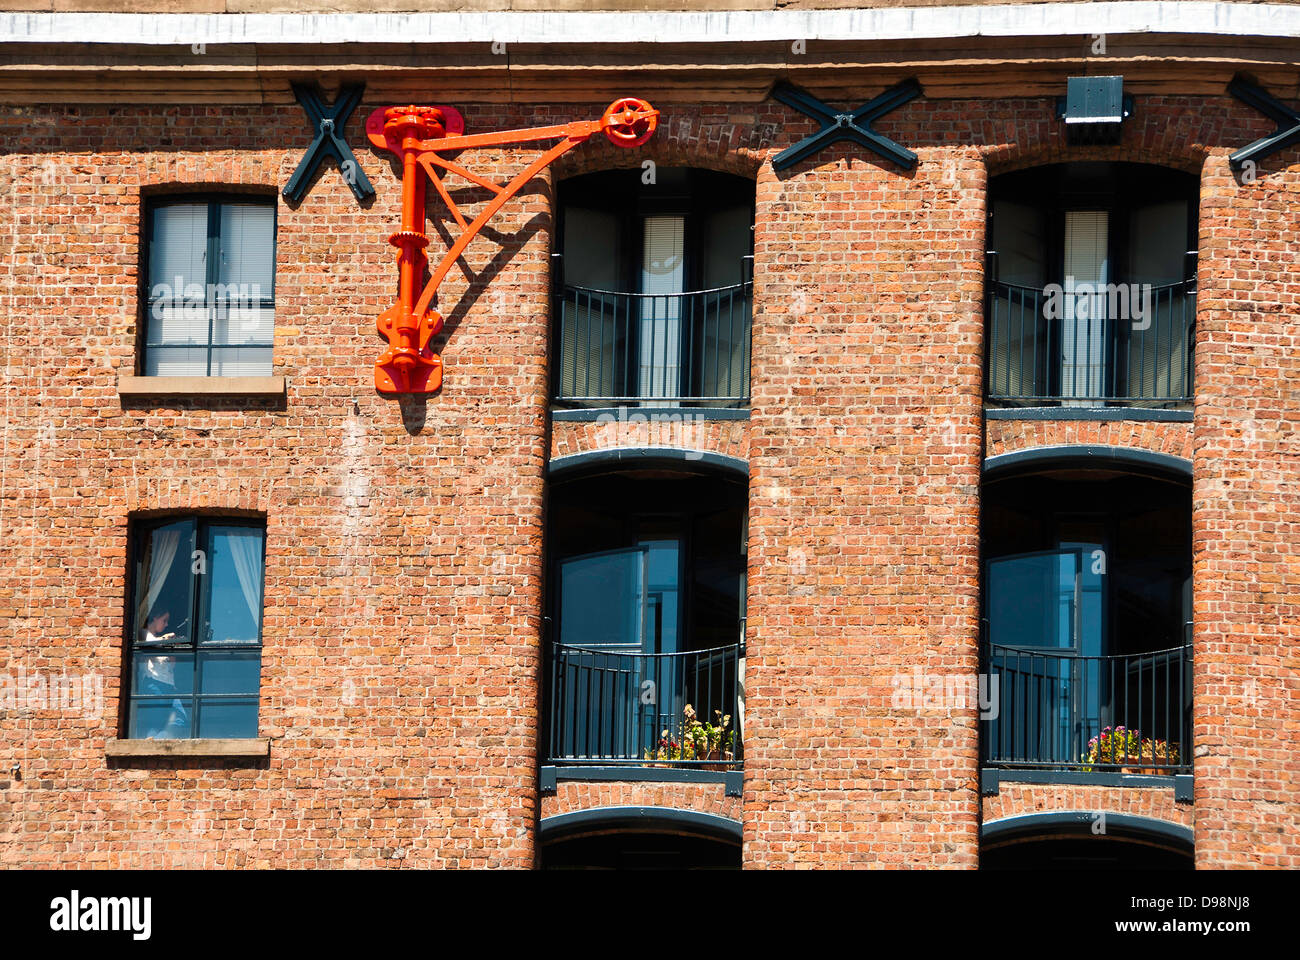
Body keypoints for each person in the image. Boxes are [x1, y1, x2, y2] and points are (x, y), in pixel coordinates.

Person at [137, 609, 189, 738]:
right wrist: (166, 640)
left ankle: (160, 739)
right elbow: (149, 646)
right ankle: (153, 743)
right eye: (164, 620)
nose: (166, 624)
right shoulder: (144, 633)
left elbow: (171, 666)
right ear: (155, 618)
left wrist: (172, 650)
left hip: (169, 686)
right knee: (156, 722)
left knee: (181, 719)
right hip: (155, 683)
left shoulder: (158, 639)